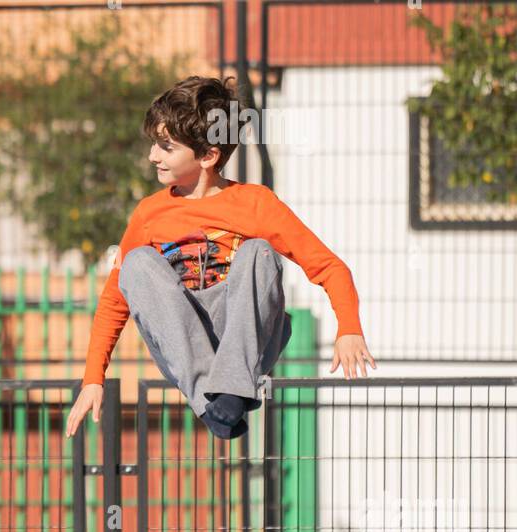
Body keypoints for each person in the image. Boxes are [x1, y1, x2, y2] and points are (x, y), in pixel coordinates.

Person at [66, 75, 377, 441]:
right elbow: (114, 301)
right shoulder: (149, 213)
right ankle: (216, 403)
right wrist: (92, 379)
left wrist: (349, 328)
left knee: (258, 252)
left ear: (208, 156)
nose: (152, 156)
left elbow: (328, 266)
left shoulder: (254, 203)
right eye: (154, 144)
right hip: (185, 343)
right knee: (134, 264)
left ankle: (231, 387)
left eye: (166, 147)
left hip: (246, 336)